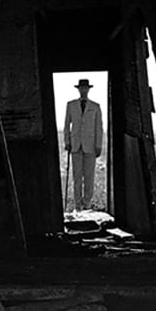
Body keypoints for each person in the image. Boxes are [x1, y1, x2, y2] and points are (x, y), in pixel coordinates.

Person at [62, 78, 104, 212]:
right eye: (81, 88)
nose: (83, 90)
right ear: (78, 89)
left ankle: (87, 204)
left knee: (89, 176)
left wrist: (98, 145)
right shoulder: (71, 105)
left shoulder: (95, 107)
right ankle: (78, 205)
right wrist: (67, 142)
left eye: (85, 88)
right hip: (75, 145)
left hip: (90, 146)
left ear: (88, 89)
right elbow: (66, 125)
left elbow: (99, 127)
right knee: (77, 177)